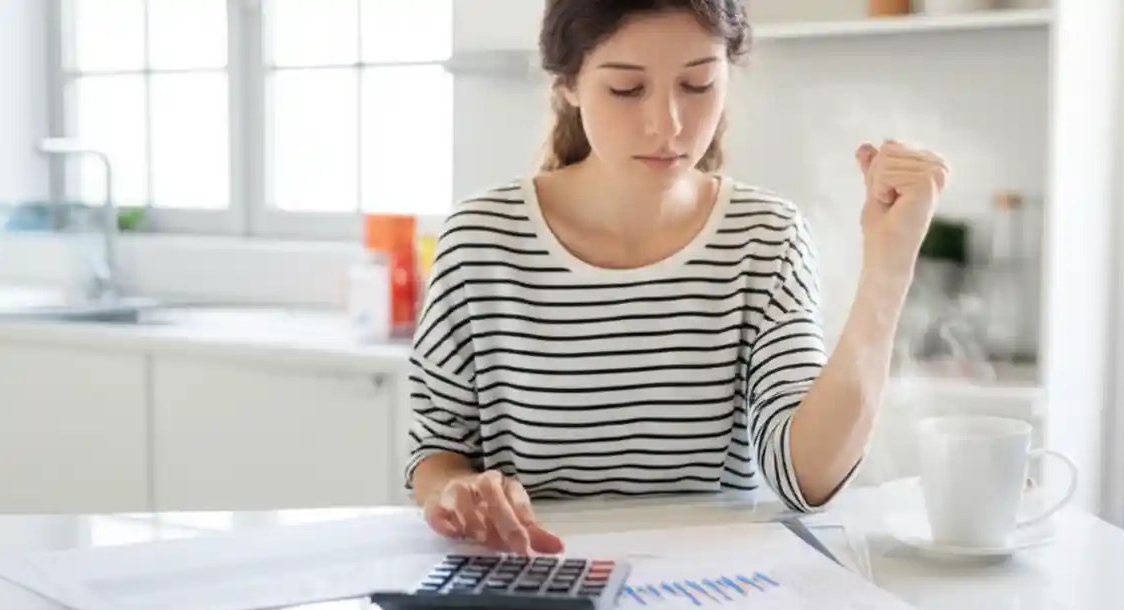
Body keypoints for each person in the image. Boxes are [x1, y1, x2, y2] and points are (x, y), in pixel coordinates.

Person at [406, 0, 948, 556]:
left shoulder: (765, 239)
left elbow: (805, 477)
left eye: (698, 84)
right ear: (567, 82)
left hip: (710, 599)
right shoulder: (481, 239)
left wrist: (890, 263)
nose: (667, 125)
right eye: (626, 89)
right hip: (531, 584)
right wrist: (457, 491)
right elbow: (436, 451)